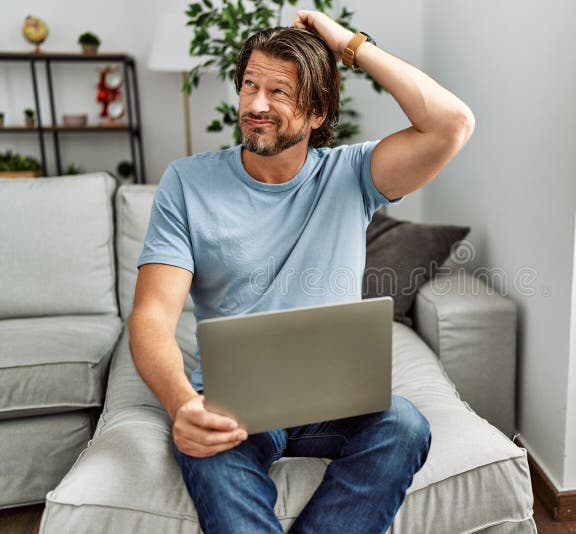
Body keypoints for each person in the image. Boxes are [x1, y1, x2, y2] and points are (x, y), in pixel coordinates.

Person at [129, 9, 474, 534]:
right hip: (234, 401)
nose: (256, 105)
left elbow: (453, 124)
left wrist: (348, 45)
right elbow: (153, 316)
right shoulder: (187, 182)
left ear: (317, 112)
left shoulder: (352, 175)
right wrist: (183, 405)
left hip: (335, 399)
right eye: (249, 86)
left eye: (279, 93)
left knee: (404, 424)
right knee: (210, 453)